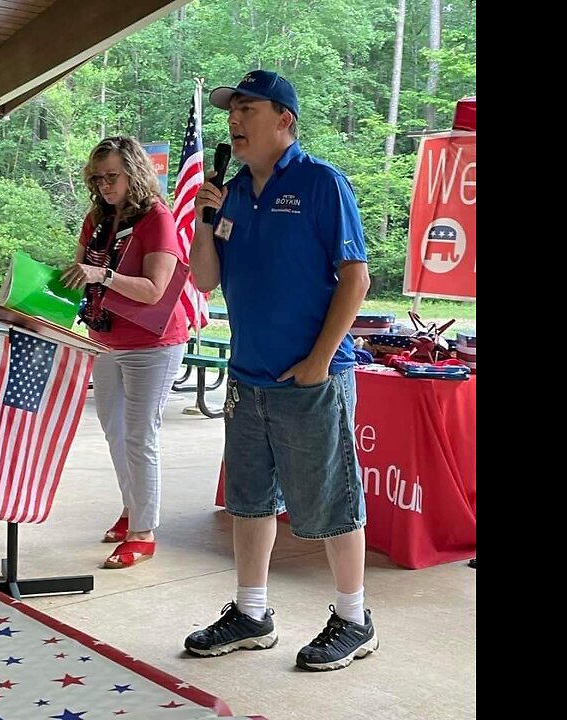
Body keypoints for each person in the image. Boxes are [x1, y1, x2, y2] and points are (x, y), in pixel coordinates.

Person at [183, 71, 376, 671]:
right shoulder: (232, 190)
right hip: (248, 377)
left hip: (310, 381)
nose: (234, 120)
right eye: (231, 110)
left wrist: (320, 361)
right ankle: (252, 612)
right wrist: (203, 221)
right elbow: (206, 279)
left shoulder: (322, 184)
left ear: (284, 119)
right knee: (248, 501)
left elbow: (356, 277)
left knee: (332, 502)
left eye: (247, 108)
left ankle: (353, 617)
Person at [61, 136, 188, 569]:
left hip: (153, 343)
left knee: (140, 435)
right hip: (105, 337)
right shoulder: (97, 218)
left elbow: (154, 289)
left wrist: (104, 274)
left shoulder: (157, 218)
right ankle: (132, 508)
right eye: (97, 178)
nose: (104, 185)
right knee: (115, 432)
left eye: (112, 176)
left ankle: (144, 533)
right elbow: (78, 272)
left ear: (134, 171)